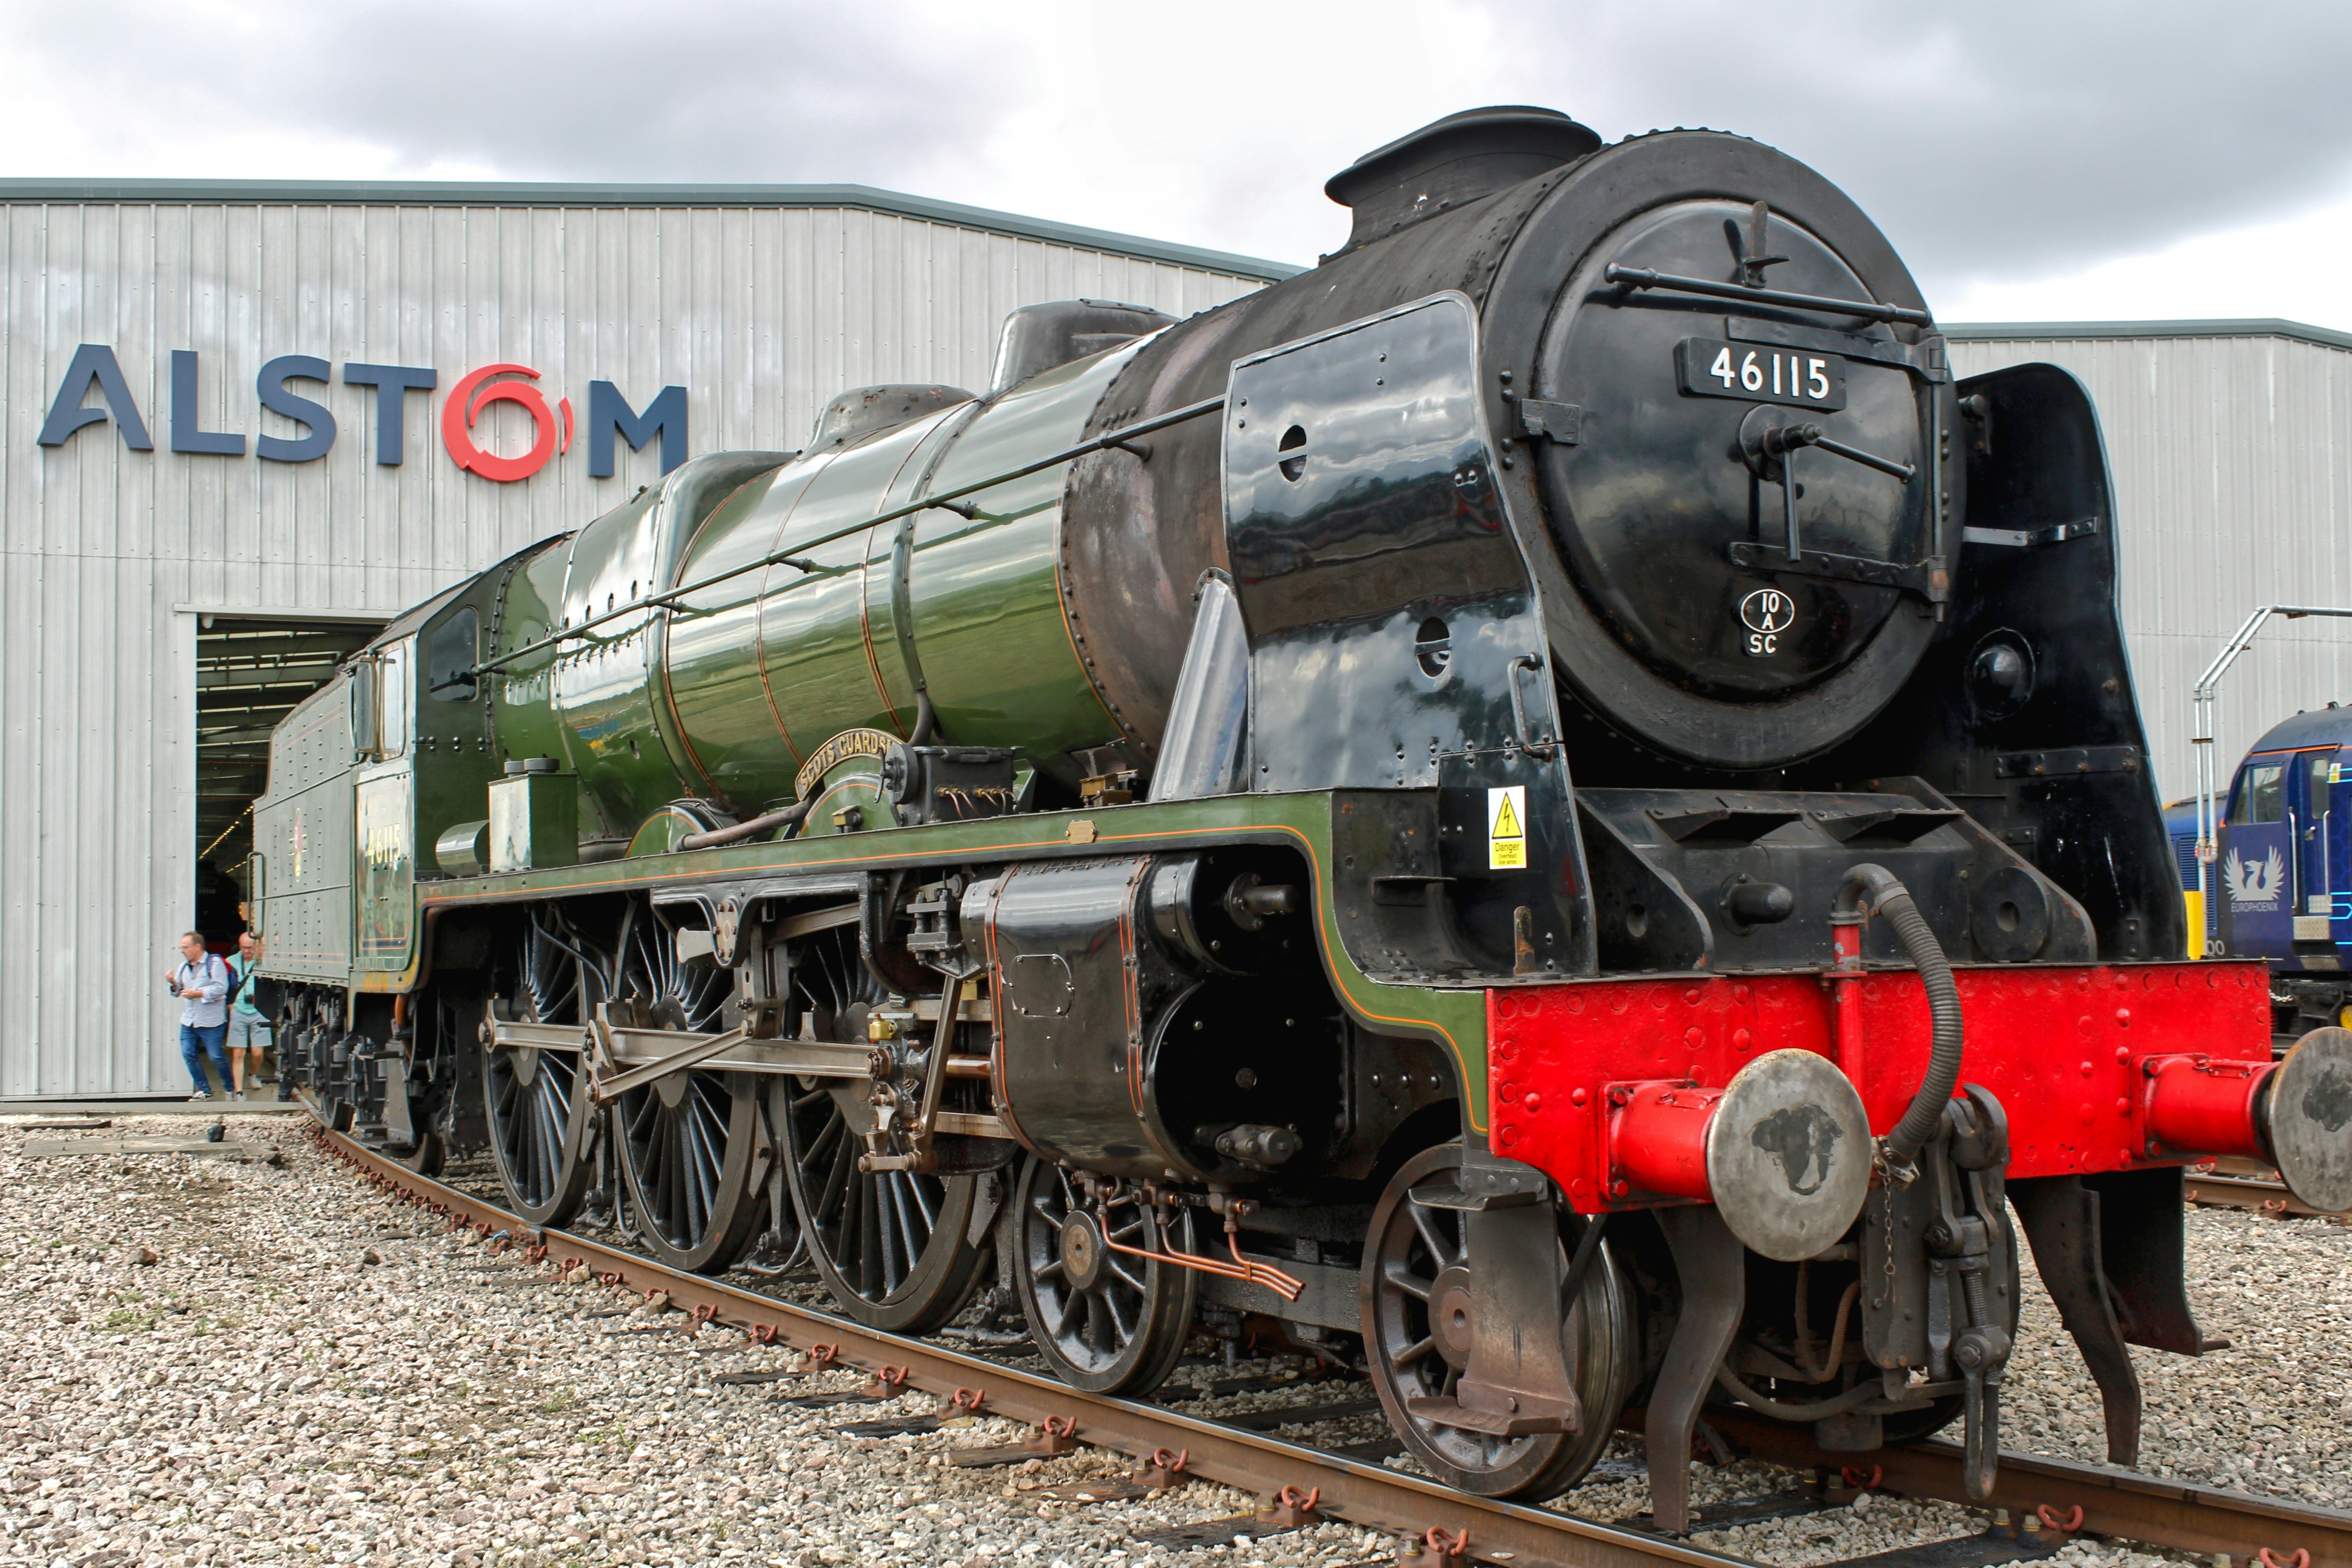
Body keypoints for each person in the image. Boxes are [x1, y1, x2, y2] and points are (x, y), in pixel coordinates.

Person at [169, 930, 231, 1102]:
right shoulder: (184, 966)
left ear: (197, 947)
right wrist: (173, 983)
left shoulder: (215, 963)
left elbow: (221, 988)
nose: (182, 951)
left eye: (185, 947)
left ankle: (230, 1088)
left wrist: (198, 994)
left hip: (212, 1021)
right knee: (188, 1053)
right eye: (181, 948)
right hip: (190, 1020)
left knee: (215, 1057)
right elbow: (177, 992)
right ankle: (205, 1090)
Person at [225, 933, 278, 1098]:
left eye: (250, 948)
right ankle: (239, 1091)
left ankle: (253, 1074)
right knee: (238, 1053)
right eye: (243, 948)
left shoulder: (265, 962)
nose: (247, 951)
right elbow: (225, 987)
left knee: (257, 1053)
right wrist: (231, 1007)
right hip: (238, 1010)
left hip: (259, 1011)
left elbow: (274, 986)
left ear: (256, 946)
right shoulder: (231, 962)